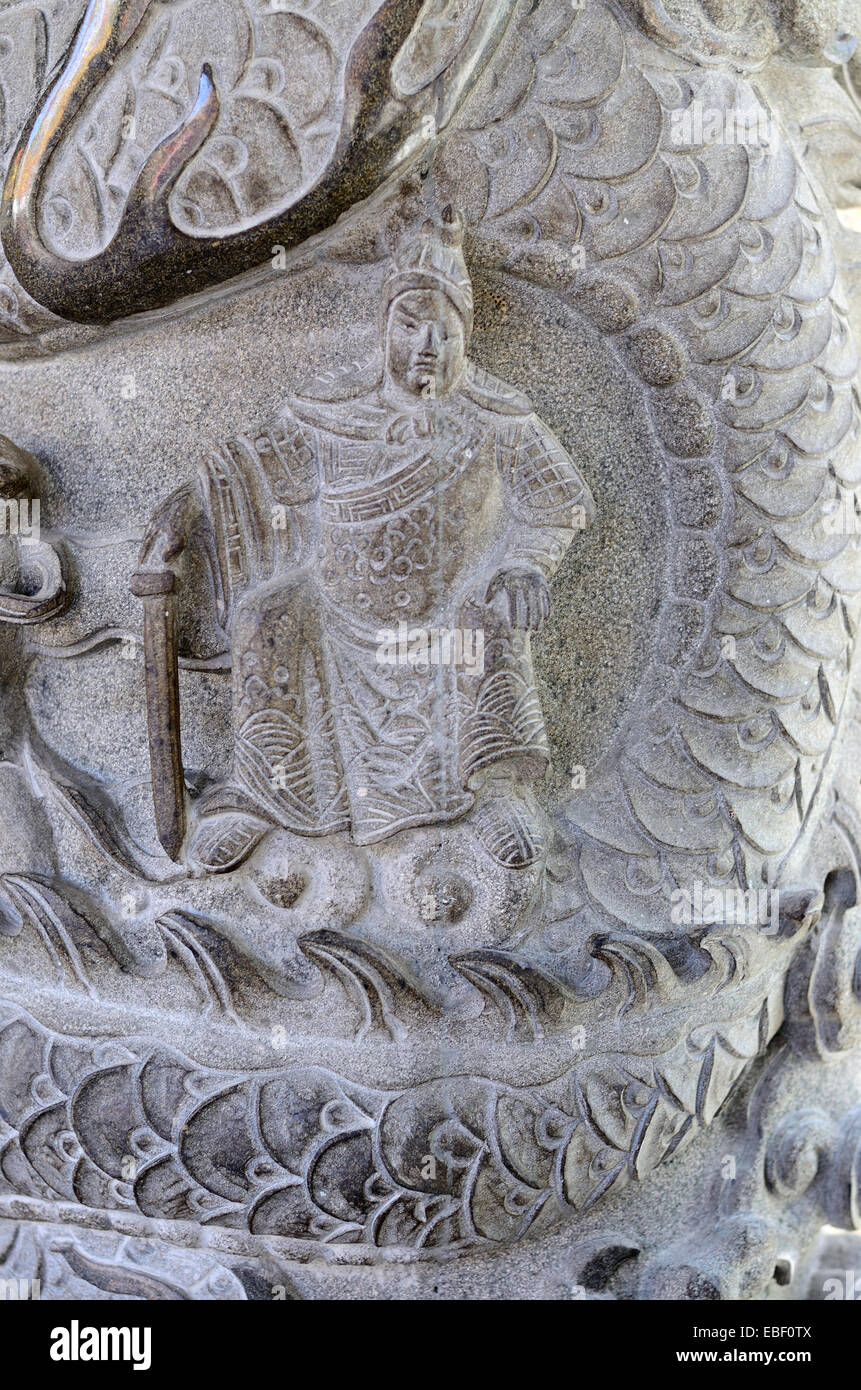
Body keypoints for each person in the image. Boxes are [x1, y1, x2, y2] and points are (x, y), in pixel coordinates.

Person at [135, 208, 594, 873]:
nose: (426, 344)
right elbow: (248, 465)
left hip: (441, 615)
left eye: (443, 329)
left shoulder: (499, 418)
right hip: (334, 612)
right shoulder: (334, 409)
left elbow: (557, 503)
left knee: (487, 618)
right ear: (384, 330)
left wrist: (524, 566)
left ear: (466, 334)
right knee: (266, 615)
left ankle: (492, 790)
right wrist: (185, 503)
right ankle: (267, 795)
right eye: (408, 326)